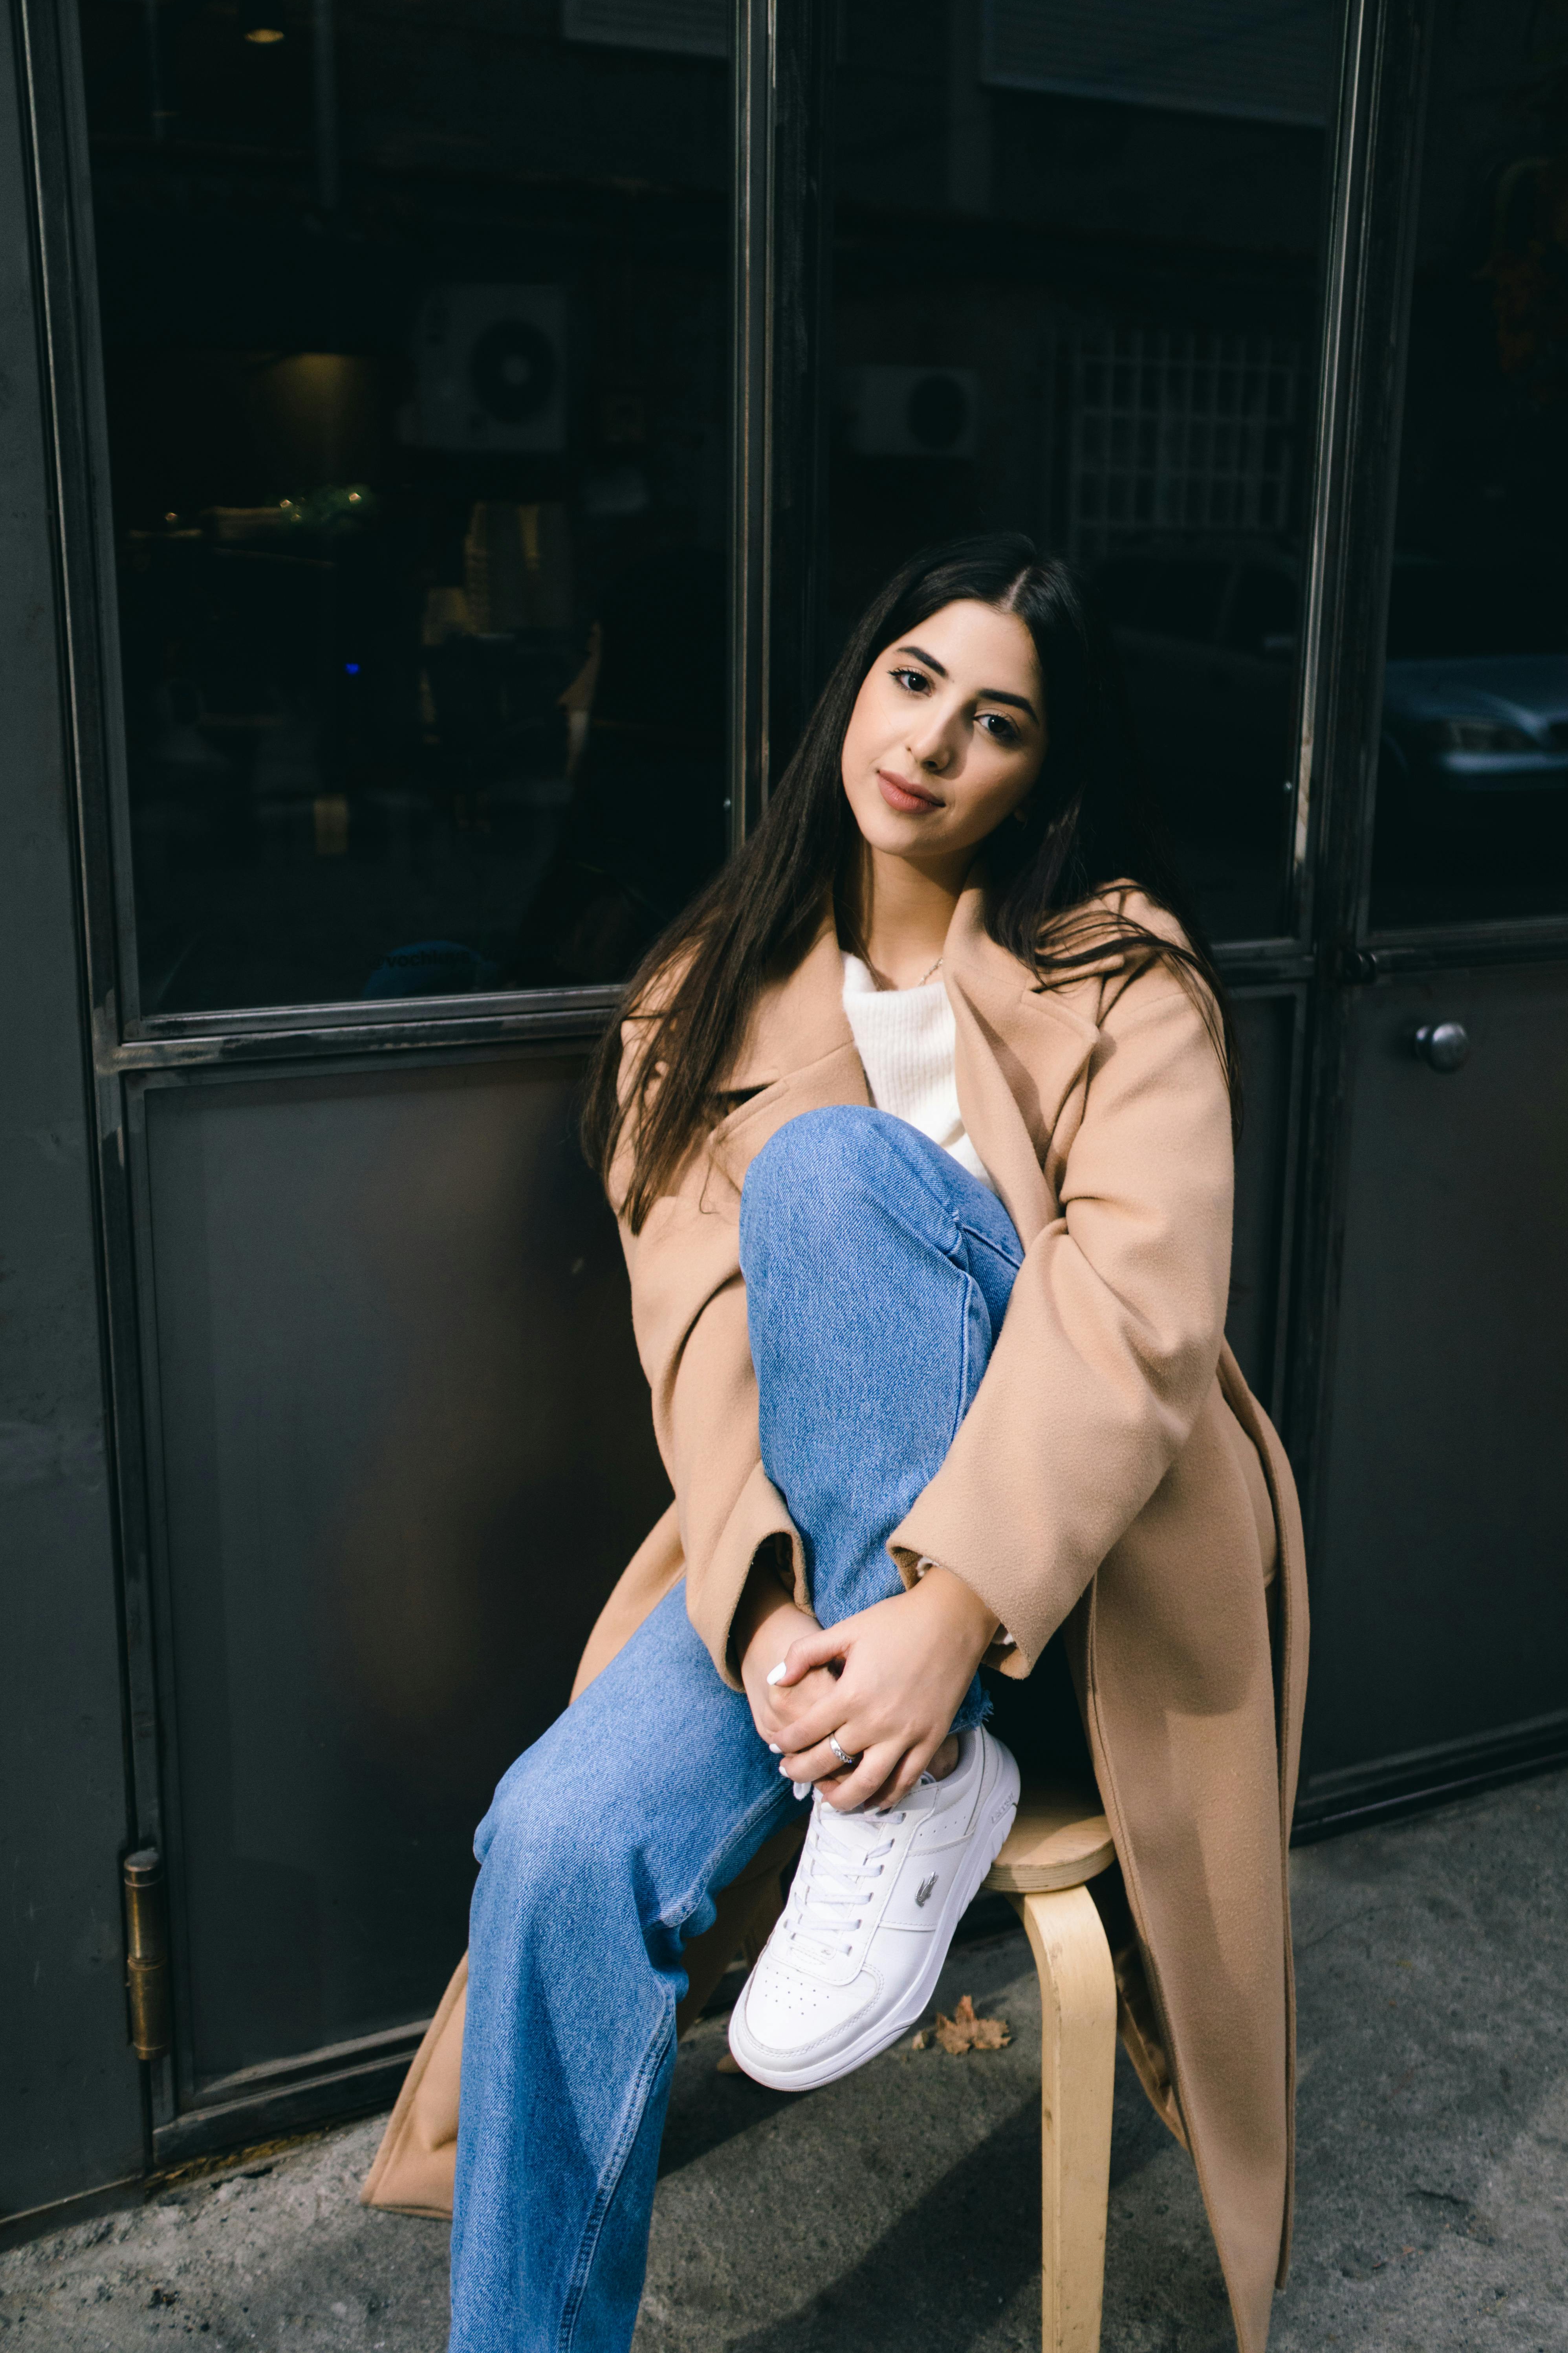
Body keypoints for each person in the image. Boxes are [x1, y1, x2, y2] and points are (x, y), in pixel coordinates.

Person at [366, 533, 1306, 2353]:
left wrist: (949, 1617)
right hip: (802, 1556)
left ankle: (914, 1769)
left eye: (999, 723)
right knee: (555, 1834)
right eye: (912, 683)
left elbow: (1137, 1313)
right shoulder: (697, 1003)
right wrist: (770, 1613)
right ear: (853, 690)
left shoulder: (1122, 975)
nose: (936, 745)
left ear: (1050, 770)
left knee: (834, 1180)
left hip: (1075, 1586)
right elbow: (702, 1352)